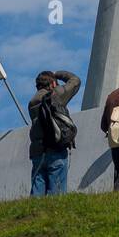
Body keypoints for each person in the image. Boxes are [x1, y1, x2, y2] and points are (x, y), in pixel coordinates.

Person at [28, 69, 81, 197]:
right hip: (56, 148)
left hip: (37, 151)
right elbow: (75, 81)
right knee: (56, 194)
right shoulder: (55, 94)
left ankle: (33, 215)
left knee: (37, 190)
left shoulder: (31, 103)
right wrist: (57, 74)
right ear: (52, 84)